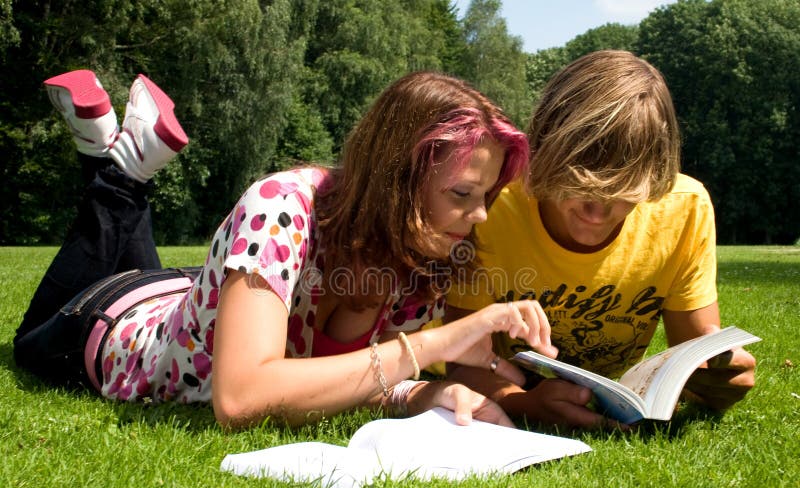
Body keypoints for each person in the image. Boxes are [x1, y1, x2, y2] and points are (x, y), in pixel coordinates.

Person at [14, 68, 551, 430]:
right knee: (23, 346)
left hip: (188, 304)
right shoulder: (281, 206)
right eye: (462, 193)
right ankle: (120, 169)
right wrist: (433, 349)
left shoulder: (423, 251)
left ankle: (121, 158)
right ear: (398, 177)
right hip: (115, 326)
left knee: (184, 308)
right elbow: (240, 398)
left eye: (485, 196)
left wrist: (425, 396)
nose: (479, 215)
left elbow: (360, 380)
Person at [444, 50, 757, 429]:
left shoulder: (683, 208)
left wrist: (719, 379)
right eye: (578, 187)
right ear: (545, 151)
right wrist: (525, 403)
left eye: (625, 194)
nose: (597, 214)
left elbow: (693, 368)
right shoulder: (492, 202)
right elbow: (461, 362)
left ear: (655, 177)